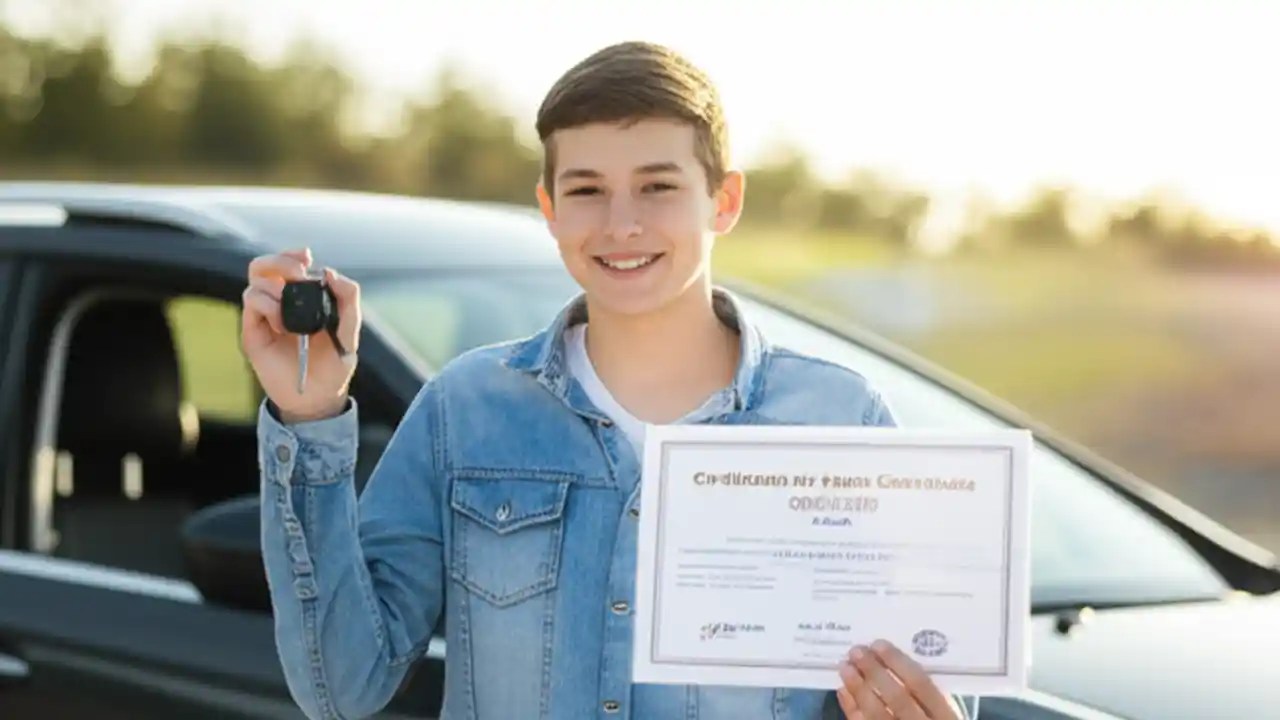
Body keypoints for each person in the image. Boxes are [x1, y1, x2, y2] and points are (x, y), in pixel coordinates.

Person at [242, 40, 979, 720]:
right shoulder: (463, 413)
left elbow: (931, 675)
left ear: (723, 200)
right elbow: (342, 689)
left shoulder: (841, 421)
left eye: (657, 186)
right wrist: (309, 416)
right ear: (549, 209)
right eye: (587, 189)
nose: (621, 224)